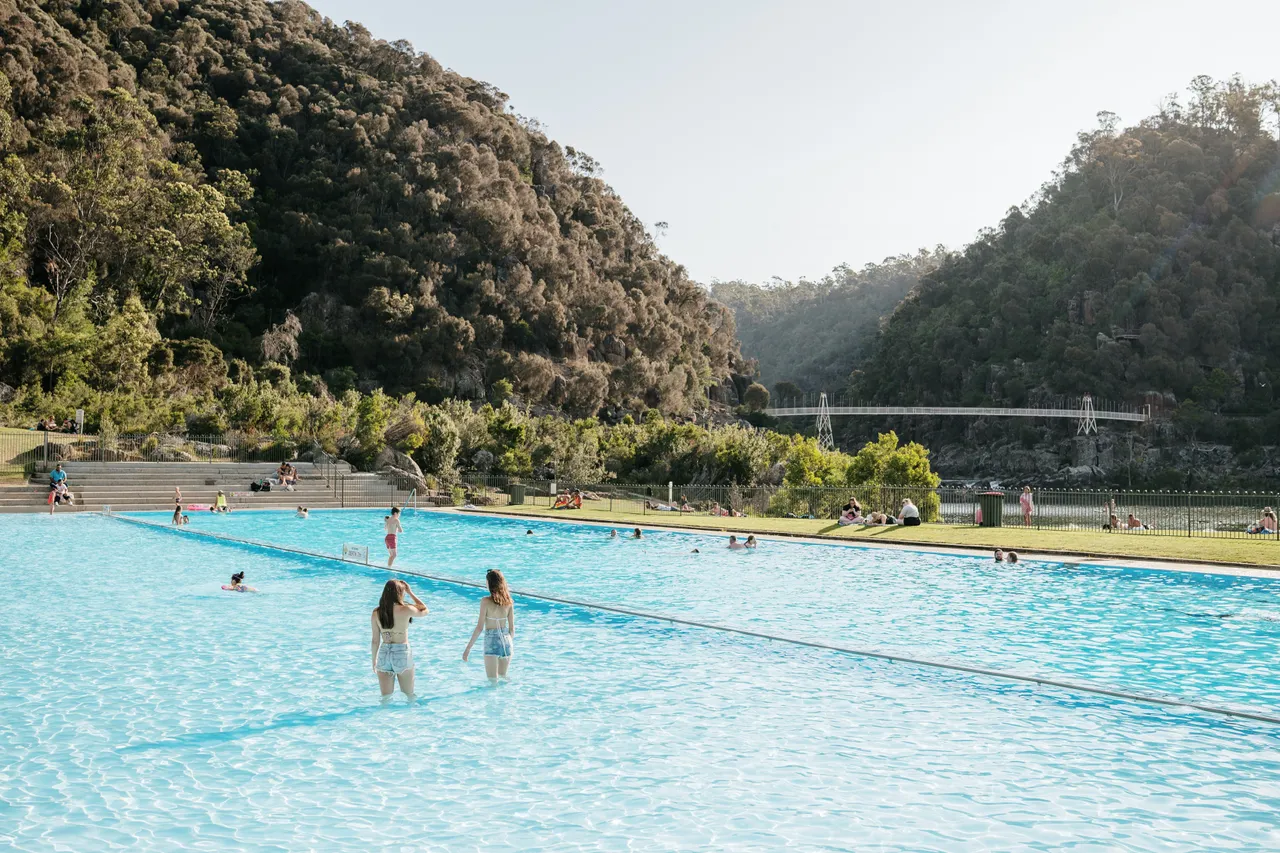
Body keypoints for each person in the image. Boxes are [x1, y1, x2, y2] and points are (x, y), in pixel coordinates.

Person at [371, 579, 428, 697]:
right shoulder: (406, 609)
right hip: (401, 652)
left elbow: (375, 641)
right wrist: (411, 592)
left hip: (383, 653)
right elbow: (425, 610)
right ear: (400, 593)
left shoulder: (376, 613)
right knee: (409, 695)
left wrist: (374, 660)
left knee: (385, 698)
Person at [462, 569, 516, 681]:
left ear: (489, 583)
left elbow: (479, 628)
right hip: (507, 642)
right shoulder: (509, 601)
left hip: (492, 642)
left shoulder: (485, 601)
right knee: (503, 677)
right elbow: (512, 629)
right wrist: (507, 642)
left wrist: (468, 648)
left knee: (492, 682)